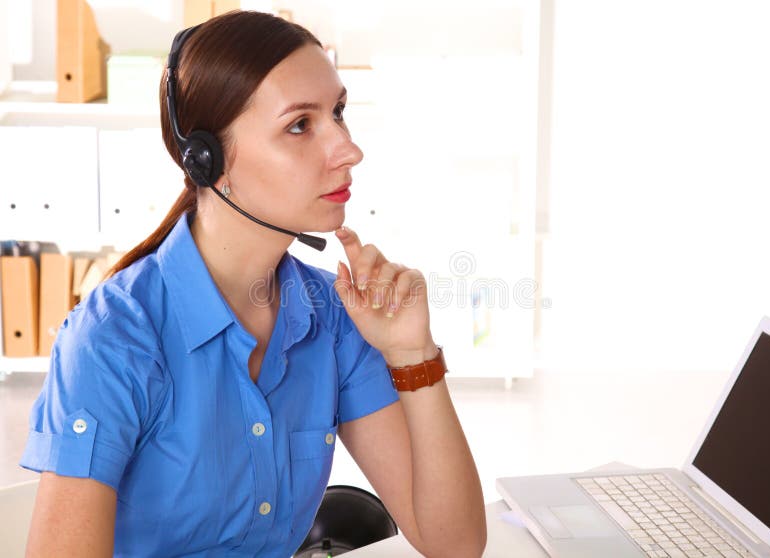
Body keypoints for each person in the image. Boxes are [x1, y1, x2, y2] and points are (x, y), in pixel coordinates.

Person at [20, 10, 486, 558]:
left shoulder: (334, 317)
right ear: (208, 160)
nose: (348, 149)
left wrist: (412, 356)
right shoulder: (114, 340)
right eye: (300, 125)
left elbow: (454, 544)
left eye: (338, 112)